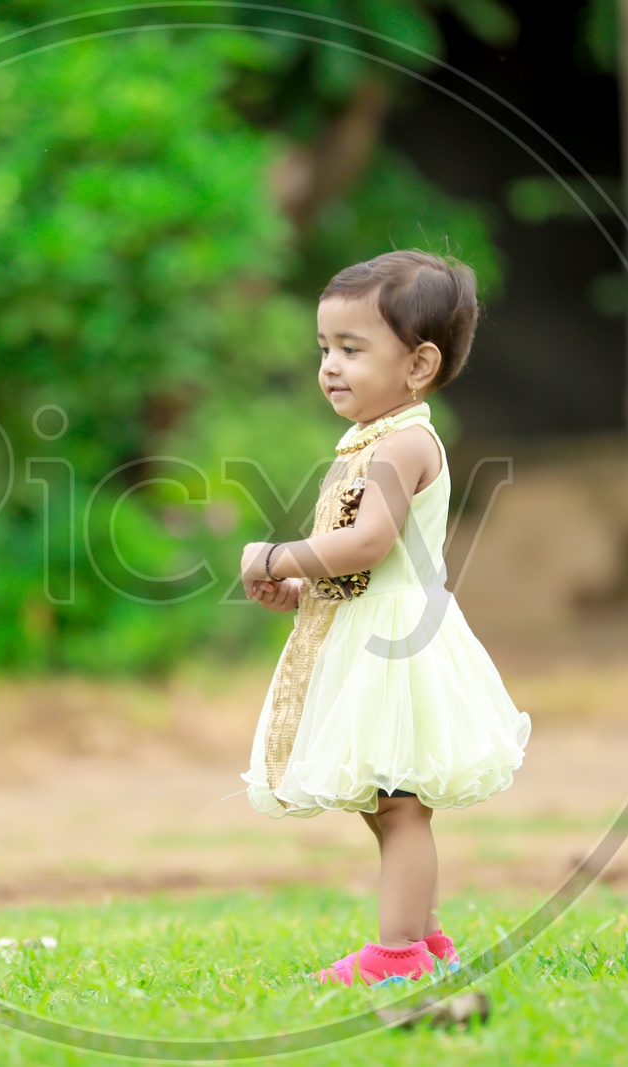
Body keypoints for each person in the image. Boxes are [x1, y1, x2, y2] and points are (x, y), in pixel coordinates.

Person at [236, 249, 532, 988]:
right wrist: (305, 591)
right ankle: (427, 943)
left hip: (398, 643)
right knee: (383, 803)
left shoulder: (403, 444)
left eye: (352, 348)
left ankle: (396, 953)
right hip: (365, 628)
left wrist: (279, 556)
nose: (330, 366)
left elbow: (367, 541)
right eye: (324, 349)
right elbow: (366, 566)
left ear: (419, 364)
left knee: (400, 807)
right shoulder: (370, 441)